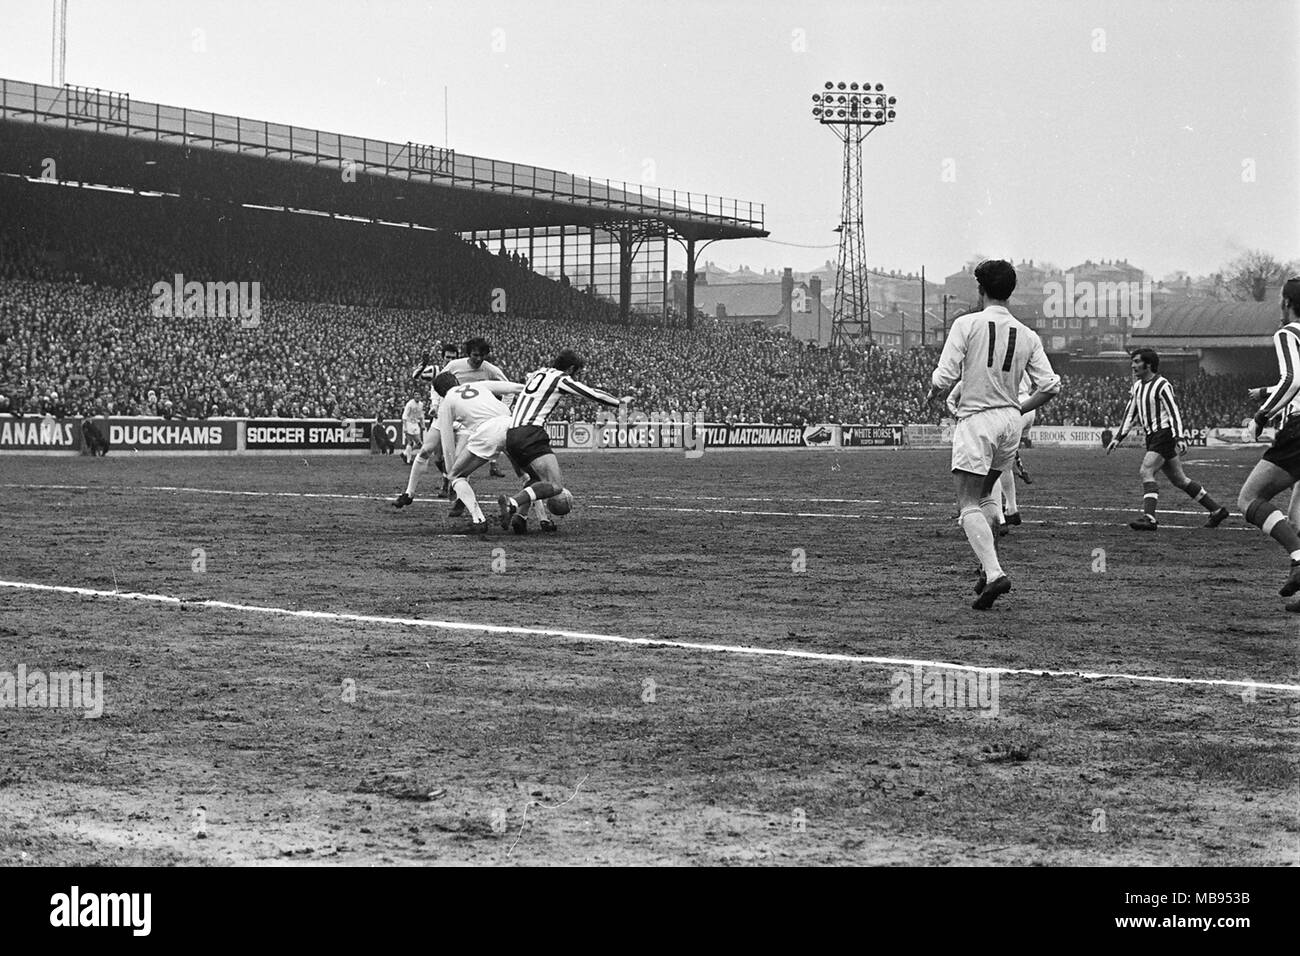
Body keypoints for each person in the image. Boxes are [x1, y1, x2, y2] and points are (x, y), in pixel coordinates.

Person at [925, 259, 1061, 610]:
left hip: (978, 420)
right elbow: (1050, 386)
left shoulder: (966, 324)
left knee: (966, 502)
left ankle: (995, 572)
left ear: (980, 289)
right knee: (987, 494)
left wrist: (934, 391)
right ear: (1010, 291)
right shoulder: (1027, 334)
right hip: (1010, 422)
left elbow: (944, 375)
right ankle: (988, 571)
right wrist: (1019, 407)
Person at [497, 349, 629, 534]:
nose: (576, 377)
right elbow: (592, 394)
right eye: (577, 373)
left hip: (512, 434)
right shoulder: (561, 378)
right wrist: (621, 403)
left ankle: (520, 517)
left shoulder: (538, 373)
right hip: (530, 433)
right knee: (555, 485)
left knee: (536, 479)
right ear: (571, 368)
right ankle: (512, 503)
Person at [1106, 348, 1229, 531]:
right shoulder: (1137, 386)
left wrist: (1179, 436)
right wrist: (1118, 437)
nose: (1133, 366)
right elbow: (1130, 413)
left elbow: (1173, 413)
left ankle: (1149, 518)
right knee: (1180, 480)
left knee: (1146, 470)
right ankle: (1216, 510)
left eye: (1137, 361)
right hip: (1152, 436)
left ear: (1149, 364)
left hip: (1163, 434)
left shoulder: (1162, 384)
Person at [1236, 276, 1300, 611]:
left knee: (1249, 499)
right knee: (1296, 517)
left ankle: (1299, 558)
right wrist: (1265, 391)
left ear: (1286, 302)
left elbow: (1293, 379)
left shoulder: (1289, 333)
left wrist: (1261, 416)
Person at [402, 372, 522, 532]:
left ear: (440, 393)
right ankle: (531, 517)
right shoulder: (477, 385)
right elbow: (514, 387)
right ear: (456, 381)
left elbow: (447, 443)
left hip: (489, 433)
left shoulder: (446, 403)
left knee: (457, 476)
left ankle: (478, 519)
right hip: (513, 426)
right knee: (527, 475)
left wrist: (451, 472)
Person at [402, 338, 509, 510]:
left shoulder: (490, 370)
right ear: (468, 354)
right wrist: (435, 405)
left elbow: (507, 388)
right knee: (427, 451)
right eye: (475, 355)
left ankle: (460, 497)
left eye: (482, 355)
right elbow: (435, 384)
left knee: (460, 460)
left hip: (467, 419)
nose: (478, 359)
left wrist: (503, 409)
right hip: (445, 413)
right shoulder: (453, 366)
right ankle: (409, 493)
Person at [400, 392, 424, 464]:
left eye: (418, 394)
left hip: (415, 424)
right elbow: (404, 416)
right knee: (410, 442)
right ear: (413, 396)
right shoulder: (409, 404)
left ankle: (404, 453)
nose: (417, 396)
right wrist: (405, 427)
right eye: (415, 395)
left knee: (419, 444)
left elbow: (421, 416)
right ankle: (408, 460)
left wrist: (422, 425)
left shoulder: (421, 404)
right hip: (408, 423)